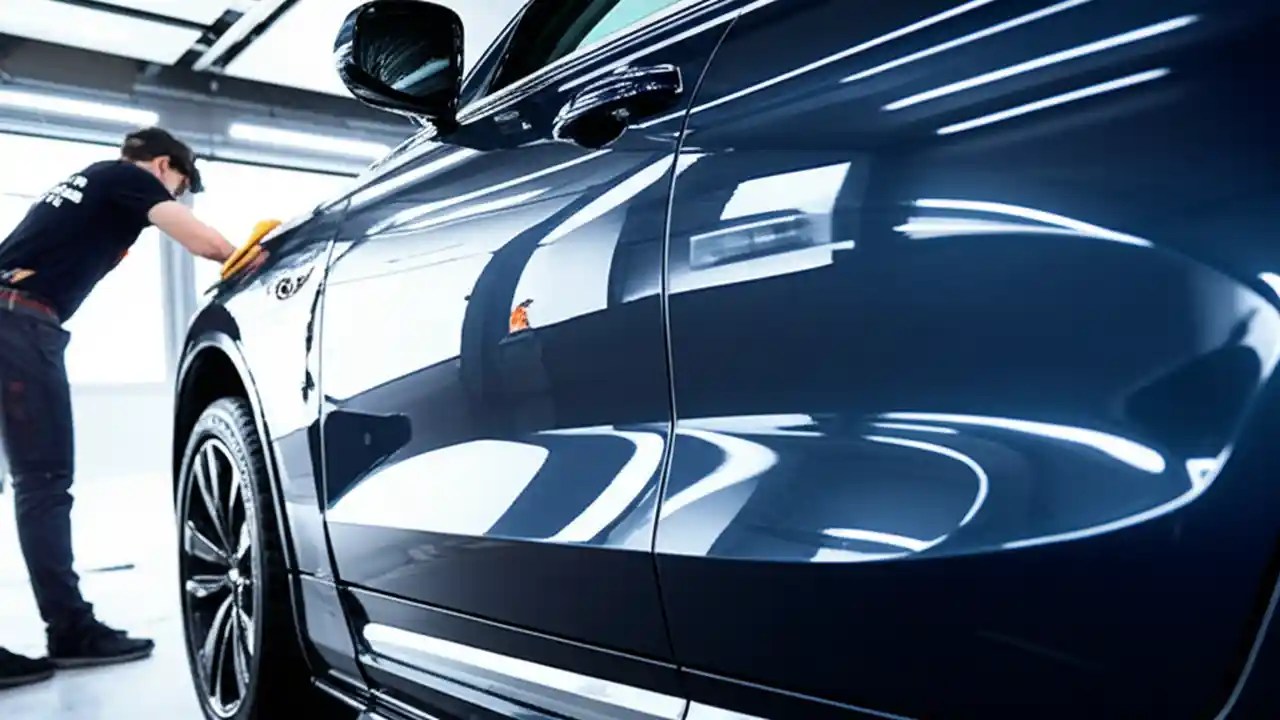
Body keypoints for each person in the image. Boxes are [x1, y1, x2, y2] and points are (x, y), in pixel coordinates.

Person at [0, 127, 260, 689]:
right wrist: (251, 258)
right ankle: (71, 630)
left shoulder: (91, 181)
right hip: (18, 324)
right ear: (164, 166)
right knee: (43, 483)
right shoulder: (125, 177)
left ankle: (68, 627)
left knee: (33, 485)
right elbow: (204, 243)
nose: (175, 197)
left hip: (10, 315)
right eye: (180, 187)